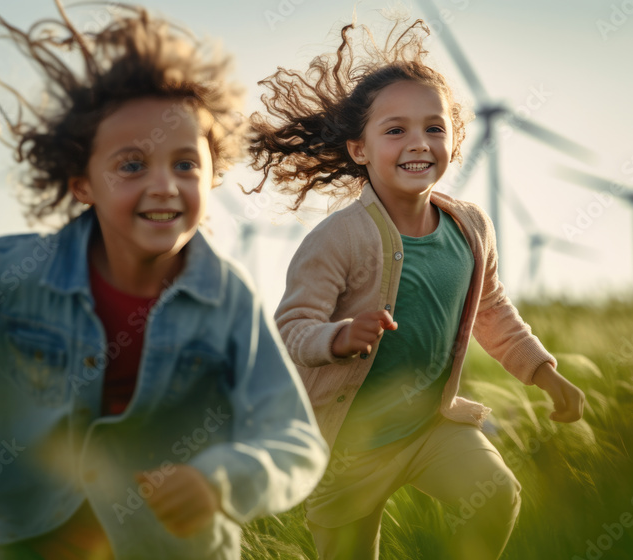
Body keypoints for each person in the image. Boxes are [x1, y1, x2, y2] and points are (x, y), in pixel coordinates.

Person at [0, 4, 327, 559]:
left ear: (214, 174)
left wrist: (222, 480)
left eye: (186, 164)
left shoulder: (227, 299)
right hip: (30, 540)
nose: (165, 185)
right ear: (82, 185)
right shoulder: (19, 275)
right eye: (132, 165)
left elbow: (296, 439)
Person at [248, 17, 585, 560]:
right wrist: (338, 337)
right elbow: (292, 328)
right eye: (395, 129)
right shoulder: (338, 238)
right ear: (360, 150)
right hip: (348, 444)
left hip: (431, 426)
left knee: (495, 495)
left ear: (454, 138)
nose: (419, 143)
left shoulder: (470, 228)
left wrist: (544, 373)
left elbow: (491, 310)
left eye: (434, 128)